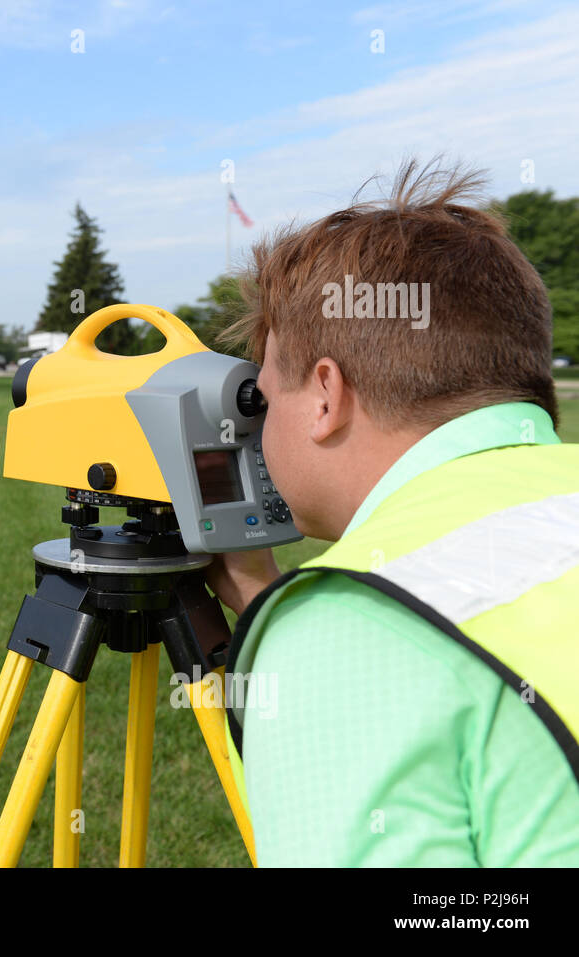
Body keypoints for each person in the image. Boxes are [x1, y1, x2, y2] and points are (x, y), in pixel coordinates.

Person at [208, 160, 579, 865]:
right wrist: (272, 600)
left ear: (324, 395)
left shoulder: (351, 632)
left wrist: (315, 633)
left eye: (264, 395)